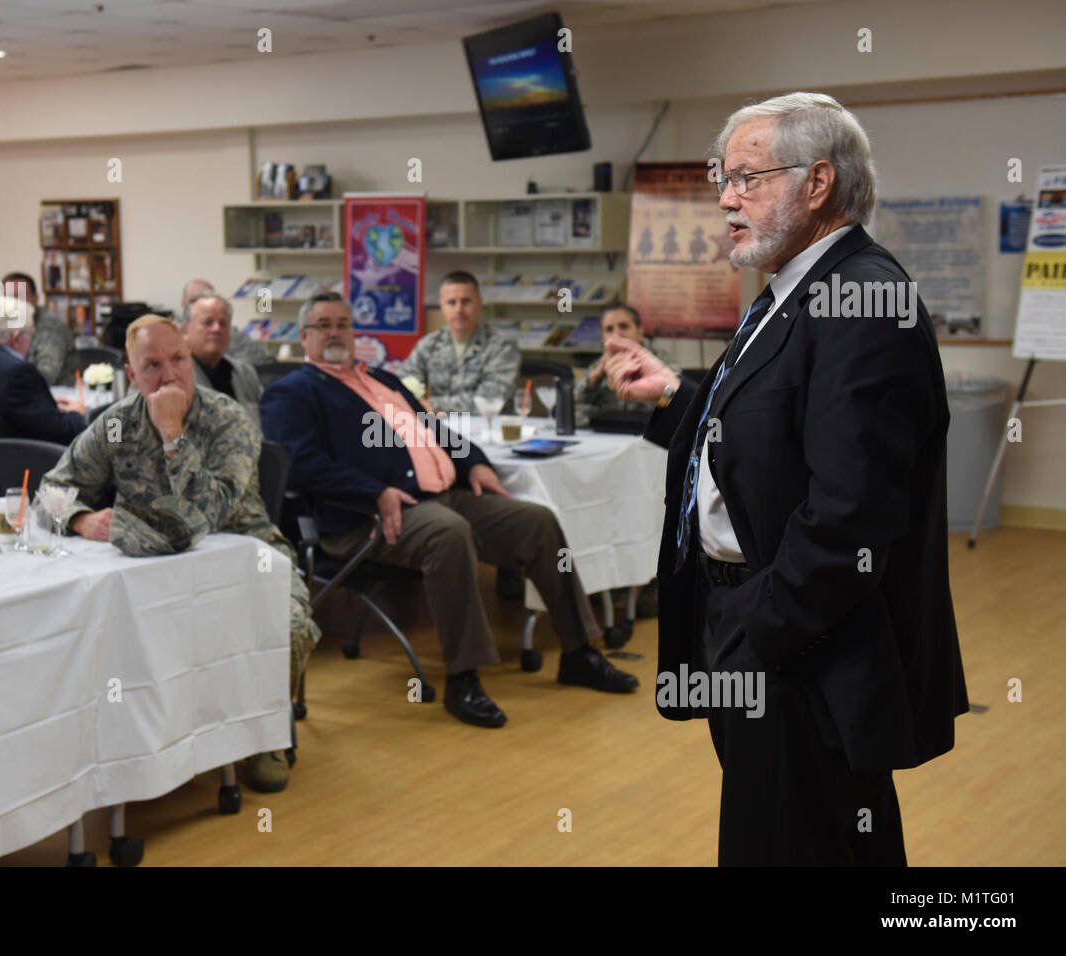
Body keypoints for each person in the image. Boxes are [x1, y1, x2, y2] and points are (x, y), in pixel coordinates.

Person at [605, 92, 968, 865]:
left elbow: (851, 516)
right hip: (762, 629)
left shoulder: (863, 301)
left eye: (748, 177)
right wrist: (674, 395)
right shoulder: (792, 287)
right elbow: (769, 429)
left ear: (818, 183)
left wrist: (751, 634)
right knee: (814, 841)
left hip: (799, 647)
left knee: (794, 843)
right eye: (722, 179)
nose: (727, 198)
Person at [261, 292, 638, 729]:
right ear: (304, 335)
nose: (334, 333)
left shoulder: (382, 378)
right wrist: (374, 491)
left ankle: (579, 653)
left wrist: (474, 461)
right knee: (449, 532)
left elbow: (437, 429)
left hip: (440, 494)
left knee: (538, 522)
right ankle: (464, 678)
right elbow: (301, 464)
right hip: (367, 515)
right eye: (323, 325)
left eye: (342, 324)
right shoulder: (292, 391)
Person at [38, 314, 319, 793]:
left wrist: (173, 434)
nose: (169, 375)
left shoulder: (227, 418)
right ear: (131, 374)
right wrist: (83, 519)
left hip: (245, 547)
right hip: (152, 561)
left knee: (290, 626)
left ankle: (266, 730)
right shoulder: (116, 425)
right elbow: (52, 489)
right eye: (152, 366)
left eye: (178, 360)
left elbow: (205, 514)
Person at [0, 296, 87, 444]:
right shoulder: (17, 373)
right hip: (19, 460)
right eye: (31, 334)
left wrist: (45, 403)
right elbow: (61, 432)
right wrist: (76, 414)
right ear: (16, 338)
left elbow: (4, 408)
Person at [397, 270, 520, 414]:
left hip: (487, 430)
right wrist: (415, 401)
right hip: (439, 430)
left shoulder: (502, 347)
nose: (459, 309)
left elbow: (488, 402)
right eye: (451, 302)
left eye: (466, 301)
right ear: (441, 306)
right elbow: (401, 386)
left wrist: (426, 404)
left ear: (479, 302)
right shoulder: (429, 344)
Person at [575, 303, 681, 429]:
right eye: (609, 329)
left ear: (640, 331)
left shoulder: (660, 361)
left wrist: (652, 393)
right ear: (603, 337)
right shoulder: (600, 364)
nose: (617, 334)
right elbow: (572, 405)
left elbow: (676, 401)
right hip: (608, 433)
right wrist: (594, 377)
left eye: (623, 326)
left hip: (649, 432)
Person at [182, 293, 262, 432]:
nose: (216, 329)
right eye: (208, 322)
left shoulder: (245, 373)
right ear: (185, 331)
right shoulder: (173, 376)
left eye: (223, 323)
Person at [3, 272, 77, 387]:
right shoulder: (6, 324)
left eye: (20, 297)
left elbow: (45, 376)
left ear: (35, 298)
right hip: (22, 394)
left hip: (58, 395)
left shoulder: (51, 327)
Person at [180, 278, 268, 366]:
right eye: (207, 322)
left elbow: (263, 360)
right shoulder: (172, 336)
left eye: (210, 297)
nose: (216, 328)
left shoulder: (231, 333)